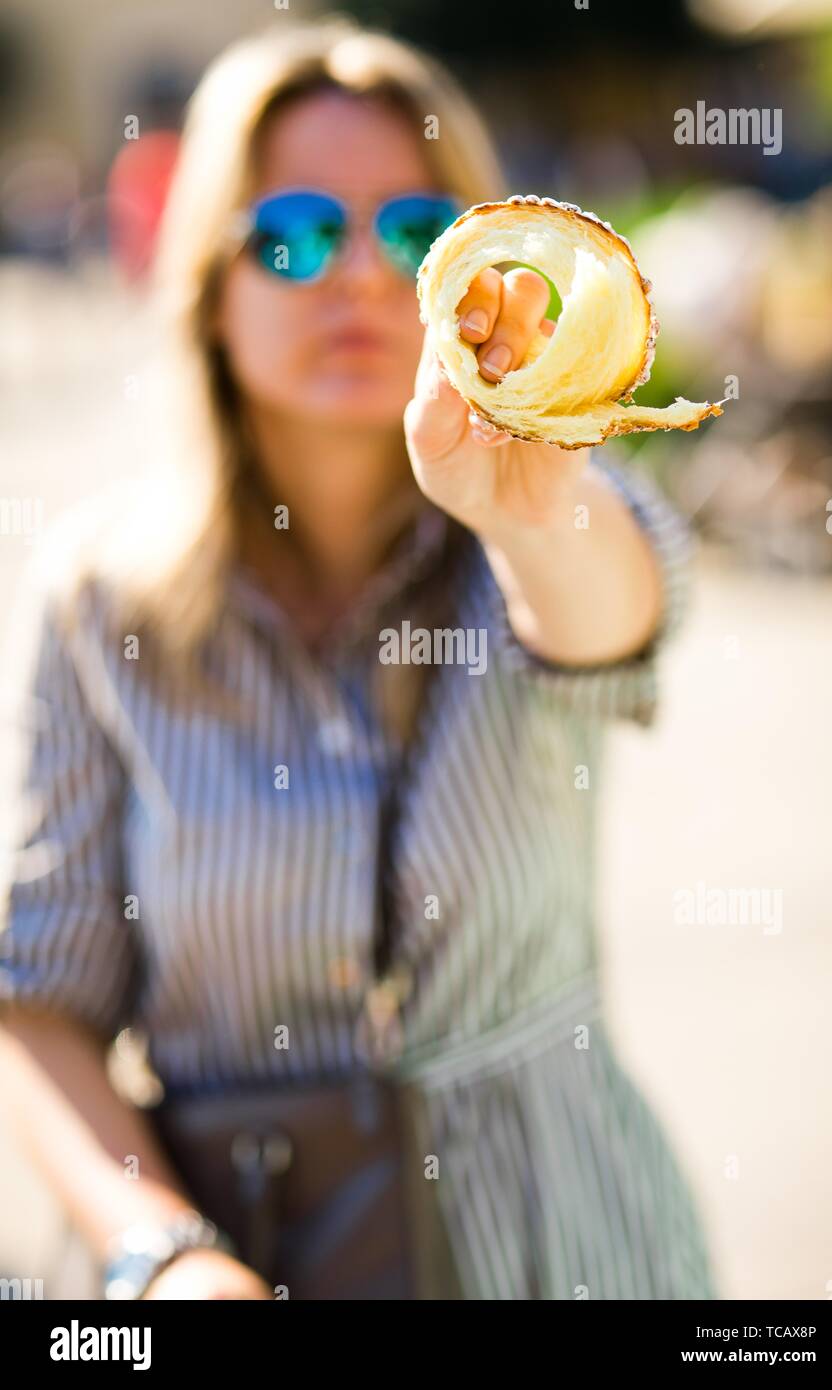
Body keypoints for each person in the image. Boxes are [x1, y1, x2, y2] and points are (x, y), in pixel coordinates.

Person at [0, 16, 718, 1300]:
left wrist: (519, 500)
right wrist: (158, 1256)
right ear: (209, 282)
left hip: (566, 1251)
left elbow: (614, 616)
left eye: (411, 233)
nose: (363, 279)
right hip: (241, 1243)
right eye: (291, 233)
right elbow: (39, 998)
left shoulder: (543, 520)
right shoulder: (96, 598)